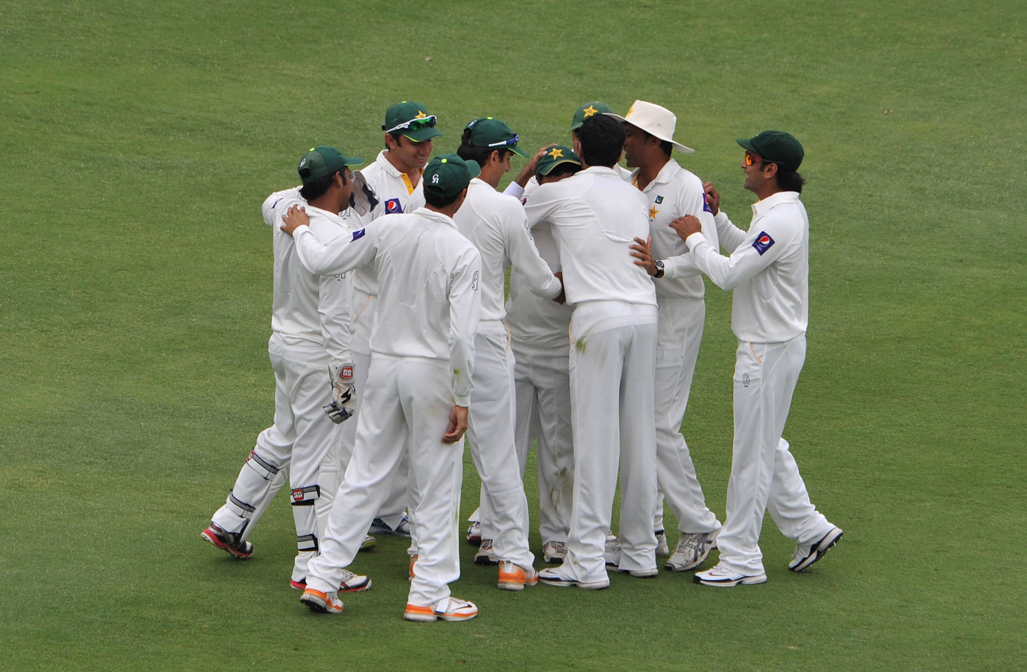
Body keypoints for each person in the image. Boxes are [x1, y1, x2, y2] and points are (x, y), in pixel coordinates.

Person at [282, 154, 484, 621]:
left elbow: (322, 261)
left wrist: (302, 231)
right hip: (431, 374)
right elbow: (461, 338)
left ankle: (322, 577)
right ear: (462, 197)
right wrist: (463, 398)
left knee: (363, 473)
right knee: (436, 482)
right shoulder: (463, 252)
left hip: (385, 368)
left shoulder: (388, 227)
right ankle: (428, 593)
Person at [668, 130, 843, 587]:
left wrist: (693, 237)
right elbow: (749, 250)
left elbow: (729, 274)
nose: (743, 165)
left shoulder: (780, 220)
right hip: (772, 346)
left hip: (767, 351)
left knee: (752, 455)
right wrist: (717, 218)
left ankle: (742, 557)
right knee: (766, 444)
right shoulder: (779, 214)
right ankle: (810, 528)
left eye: (750, 159)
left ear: (770, 170)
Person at [200, 146, 370, 594]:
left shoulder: (285, 208)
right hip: (315, 356)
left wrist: (306, 190)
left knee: (285, 434)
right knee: (315, 457)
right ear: (339, 179)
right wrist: (345, 376)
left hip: (283, 346)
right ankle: (312, 565)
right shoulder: (335, 238)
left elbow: (270, 201)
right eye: (347, 175)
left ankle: (231, 519)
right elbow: (335, 316)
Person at [525, 114, 660, 589]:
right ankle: (640, 550)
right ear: (621, 150)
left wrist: (546, 281)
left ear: (578, 147)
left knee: (594, 437)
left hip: (597, 319)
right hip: (645, 315)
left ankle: (585, 559)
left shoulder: (562, 190)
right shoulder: (636, 195)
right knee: (639, 434)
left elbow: (508, 221)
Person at [452, 118, 564, 587]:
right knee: (498, 452)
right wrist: (568, 289)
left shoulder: (430, 197)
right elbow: (538, 278)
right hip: (484, 337)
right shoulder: (502, 207)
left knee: (435, 453)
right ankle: (513, 560)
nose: (507, 168)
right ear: (494, 157)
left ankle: (425, 556)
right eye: (506, 159)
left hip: (432, 341)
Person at [615, 100, 723, 573]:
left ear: (654, 142)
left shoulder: (686, 187)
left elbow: (707, 256)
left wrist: (660, 267)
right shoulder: (626, 181)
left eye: (631, 135)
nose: (624, 141)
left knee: (659, 423)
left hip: (677, 313)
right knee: (637, 422)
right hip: (639, 313)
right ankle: (650, 528)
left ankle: (700, 526)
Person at [345, 101, 444, 541]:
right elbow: (352, 245)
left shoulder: (433, 177)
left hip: (414, 309)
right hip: (370, 307)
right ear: (390, 139)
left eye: (429, 141)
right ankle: (349, 517)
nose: (425, 149)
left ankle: (389, 511)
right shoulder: (364, 182)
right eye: (415, 142)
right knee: (360, 417)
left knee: (407, 410)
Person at [503, 146, 582, 564]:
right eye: (554, 175)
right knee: (506, 446)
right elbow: (490, 219)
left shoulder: (582, 214)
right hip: (516, 345)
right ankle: (500, 531)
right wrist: (523, 176)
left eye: (570, 174)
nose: (562, 183)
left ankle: (557, 534)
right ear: (540, 179)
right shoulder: (520, 212)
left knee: (559, 449)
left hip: (558, 348)